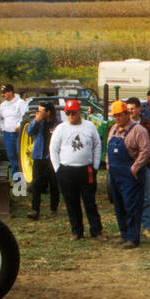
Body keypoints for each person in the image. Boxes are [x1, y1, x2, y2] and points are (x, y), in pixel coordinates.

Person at [50, 99, 102, 240]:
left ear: (80, 112)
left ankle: (96, 231)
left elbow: (97, 146)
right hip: (66, 171)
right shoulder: (61, 129)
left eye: (74, 112)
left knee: (90, 202)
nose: (71, 115)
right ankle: (77, 231)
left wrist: (96, 165)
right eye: (68, 113)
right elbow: (53, 150)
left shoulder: (89, 126)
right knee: (71, 203)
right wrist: (58, 169)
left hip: (86, 170)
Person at [105, 100, 150, 249]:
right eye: (115, 116)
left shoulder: (138, 130)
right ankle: (124, 234)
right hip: (115, 175)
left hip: (131, 175)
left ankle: (133, 238)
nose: (117, 118)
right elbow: (108, 149)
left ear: (127, 114)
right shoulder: (113, 130)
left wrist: (135, 168)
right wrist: (108, 165)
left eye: (120, 115)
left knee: (132, 206)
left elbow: (145, 151)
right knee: (119, 206)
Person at [126, 96, 150, 236]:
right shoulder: (125, 125)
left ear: (139, 109)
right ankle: (131, 226)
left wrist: (149, 159)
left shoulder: (147, 124)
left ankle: (146, 227)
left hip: (143, 167)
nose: (130, 112)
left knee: (145, 197)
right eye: (127, 110)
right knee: (129, 197)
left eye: (132, 109)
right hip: (128, 167)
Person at [26, 101, 59, 221]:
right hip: (39, 156)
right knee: (36, 184)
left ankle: (53, 209)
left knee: (54, 184)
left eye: (40, 111)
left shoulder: (57, 123)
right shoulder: (38, 123)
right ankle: (35, 210)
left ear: (48, 112)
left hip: (52, 158)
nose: (38, 113)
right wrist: (36, 120)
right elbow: (29, 132)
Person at [0, 83, 28, 178]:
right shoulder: (2, 105)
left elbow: (25, 116)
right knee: (11, 156)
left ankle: (24, 177)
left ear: (11, 92)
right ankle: (16, 180)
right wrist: (3, 128)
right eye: (2, 93)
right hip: (7, 134)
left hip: (18, 134)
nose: (3, 94)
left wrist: (19, 126)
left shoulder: (20, 103)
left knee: (20, 156)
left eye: (5, 92)